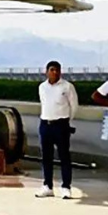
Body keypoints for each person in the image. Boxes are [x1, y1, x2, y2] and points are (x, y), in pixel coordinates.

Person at [37, 60, 78, 199]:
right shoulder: (42, 87)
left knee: (64, 156)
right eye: (52, 70)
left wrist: (67, 121)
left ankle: (66, 187)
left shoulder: (67, 87)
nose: (55, 72)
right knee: (46, 157)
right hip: (45, 124)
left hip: (61, 125)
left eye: (57, 70)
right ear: (47, 71)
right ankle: (47, 185)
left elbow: (74, 106)